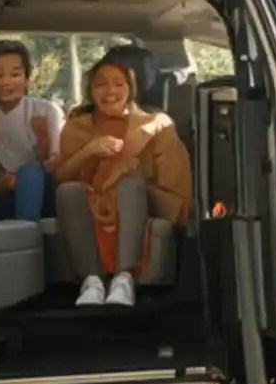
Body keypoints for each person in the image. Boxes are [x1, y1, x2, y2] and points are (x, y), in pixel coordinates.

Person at [54, 57, 192, 307]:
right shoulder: (76, 126)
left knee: (130, 185)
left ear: (131, 87)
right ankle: (91, 282)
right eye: (101, 85)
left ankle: (124, 278)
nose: (110, 92)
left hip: (138, 200)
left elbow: (174, 184)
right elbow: (60, 177)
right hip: (90, 200)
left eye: (118, 84)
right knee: (68, 191)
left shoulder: (155, 125)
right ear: (90, 90)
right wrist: (89, 151)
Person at [0, 39, 63, 222]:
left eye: (15, 75)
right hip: (0, 190)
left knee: (30, 174)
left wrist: (42, 143)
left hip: (40, 186)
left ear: (26, 77)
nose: (6, 82)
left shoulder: (46, 111)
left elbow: (56, 164)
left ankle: (26, 235)